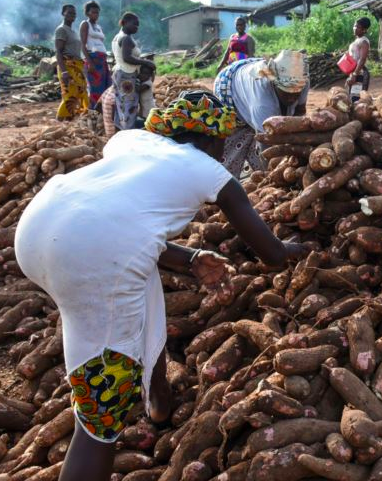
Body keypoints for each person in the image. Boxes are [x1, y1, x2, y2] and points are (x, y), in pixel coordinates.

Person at [14, 90, 310, 481]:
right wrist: (301, 247)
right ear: (212, 139)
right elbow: (270, 254)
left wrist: (187, 259)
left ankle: (158, 401)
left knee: (139, 284)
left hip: (37, 231)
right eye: (222, 143)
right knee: (101, 418)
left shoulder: (130, 139)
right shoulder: (211, 171)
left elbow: (120, 218)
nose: (224, 152)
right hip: (90, 258)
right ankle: (105, 427)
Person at [214, 49, 309, 178]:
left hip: (249, 69)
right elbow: (266, 141)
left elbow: (300, 113)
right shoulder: (262, 101)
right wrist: (276, 175)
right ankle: (223, 182)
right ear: (274, 83)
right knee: (237, 145)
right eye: (286, 93)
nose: (292, 98)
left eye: (295, 93)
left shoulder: (302, 80)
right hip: (228, 86)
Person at [112, 12, 155, 130]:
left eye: (138, 25)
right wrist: (145, 62)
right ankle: (128, 132)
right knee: (129, 105)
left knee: (121, 105)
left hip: (120, 72)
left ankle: (120, 131)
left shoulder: (118, 36)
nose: (137, 27)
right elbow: (127, 58)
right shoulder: (126, 38)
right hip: (127, 75)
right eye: (134, 24)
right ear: (125, 22)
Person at [55, 4, 89, 121]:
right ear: (63, 13)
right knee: (69, 96)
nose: (72, 15)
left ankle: (70, 122)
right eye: (69, 13)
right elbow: (58, 52)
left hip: (77, 67)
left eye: (74, 13)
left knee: (81, 93)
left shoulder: (73, 31)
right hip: (67, 67)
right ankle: (59, 122)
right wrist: (64, 71)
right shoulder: (61, 30)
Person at [79, 1, 110, 110]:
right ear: (87, 13)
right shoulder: (85, 24)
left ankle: (101, 113)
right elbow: (82, 45)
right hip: (92, 59)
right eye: (93, 12)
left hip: (102, 61)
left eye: (97, 13)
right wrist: (90, 63)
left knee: (105, 88)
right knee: (94, 89)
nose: (96, 15)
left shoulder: (98, 27)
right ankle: (92, 114)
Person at [346, 17, 371, 102]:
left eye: (358, 27)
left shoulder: (364, 42)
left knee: (356, 99)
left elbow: (362, 59)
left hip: (360, 72)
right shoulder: (357, 40)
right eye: (354, 26)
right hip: (354, 72)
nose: (355, 28)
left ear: (364, 30)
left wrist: (355, 74)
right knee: (350, 98)